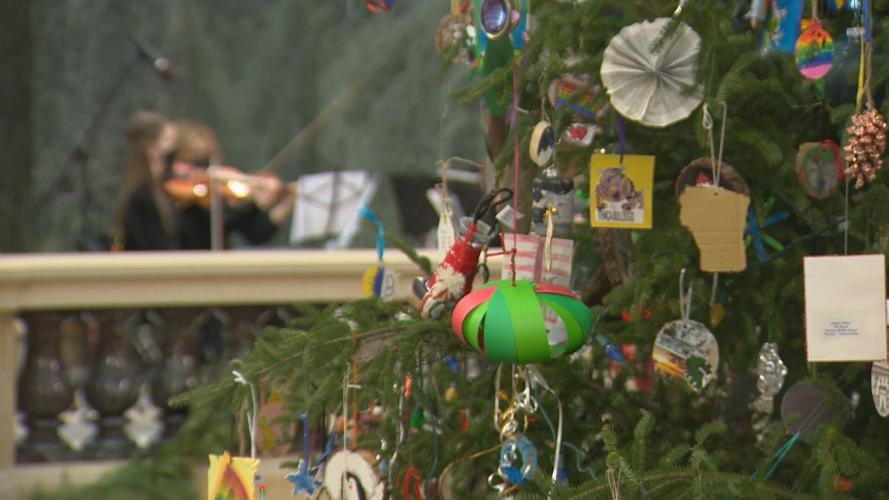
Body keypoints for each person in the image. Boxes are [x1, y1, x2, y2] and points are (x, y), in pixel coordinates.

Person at [113, 111, 294, 250]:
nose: (202, 172)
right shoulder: (146, 198)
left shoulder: (200, 201)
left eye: (205, 162)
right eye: (194, 162)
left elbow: (251, 232)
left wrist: (254, 203)